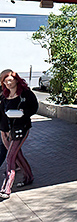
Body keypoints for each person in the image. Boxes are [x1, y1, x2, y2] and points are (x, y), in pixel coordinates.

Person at [0, 69, 38, 199]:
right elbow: (2, 115)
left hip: (21, 128)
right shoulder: (4, 96)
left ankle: (7, 187)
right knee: (17, 155)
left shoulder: (26, 94)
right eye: (5, 82)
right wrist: (3, 130)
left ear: (16, 80)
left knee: (10, 157)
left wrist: (23, 112)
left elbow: (34, 107)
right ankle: (29, 177)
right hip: (7, 130)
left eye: (10, 81)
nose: (8, 84)